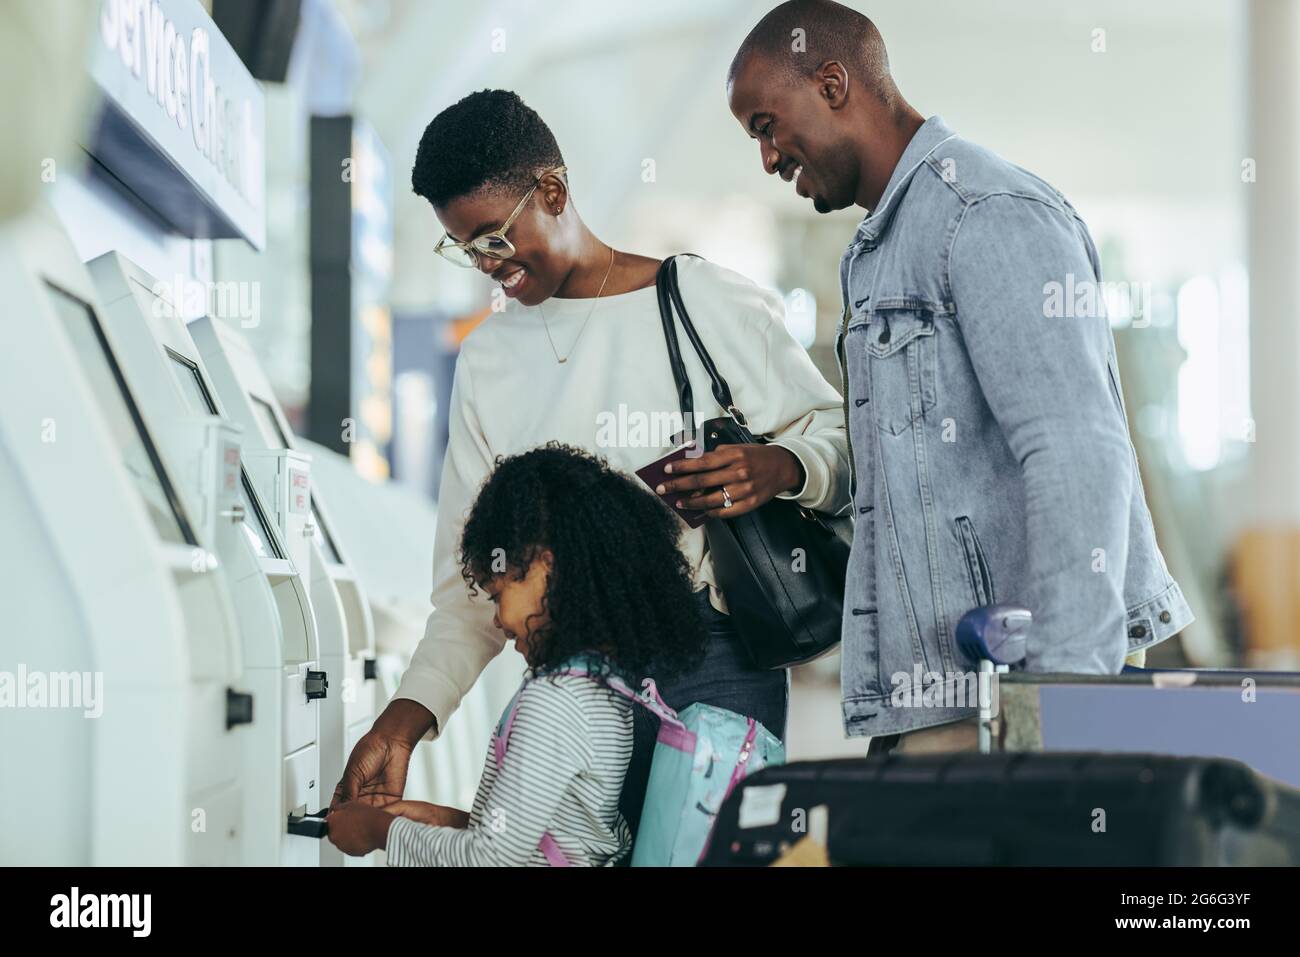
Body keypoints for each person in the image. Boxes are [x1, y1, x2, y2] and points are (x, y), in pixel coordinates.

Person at [332, 89, 851, 832]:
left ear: (553, 190)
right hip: (565, 680)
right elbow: (472, 588)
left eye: (495, 237)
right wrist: (404, 721)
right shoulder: (487, 361)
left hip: (716, 661)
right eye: (466, 246)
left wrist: (782, 465)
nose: (487, 264)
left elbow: (841, 443)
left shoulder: (703, 303)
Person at [726, 1, 1193, 754]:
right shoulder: (876, 252)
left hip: (1014, 684)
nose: (768, 157)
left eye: (765, 124)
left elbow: (1077, 452)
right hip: (937, 685)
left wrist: (1061, 695)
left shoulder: (985, 213)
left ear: (834, 82)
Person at [327, 444, 708, 865]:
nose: (497, 623)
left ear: (545, 569)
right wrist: (439, 820)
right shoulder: (607, 690)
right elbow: (554, 839)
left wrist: (380, 831)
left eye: (497, 595)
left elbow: (489, 860)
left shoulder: (554, 702)